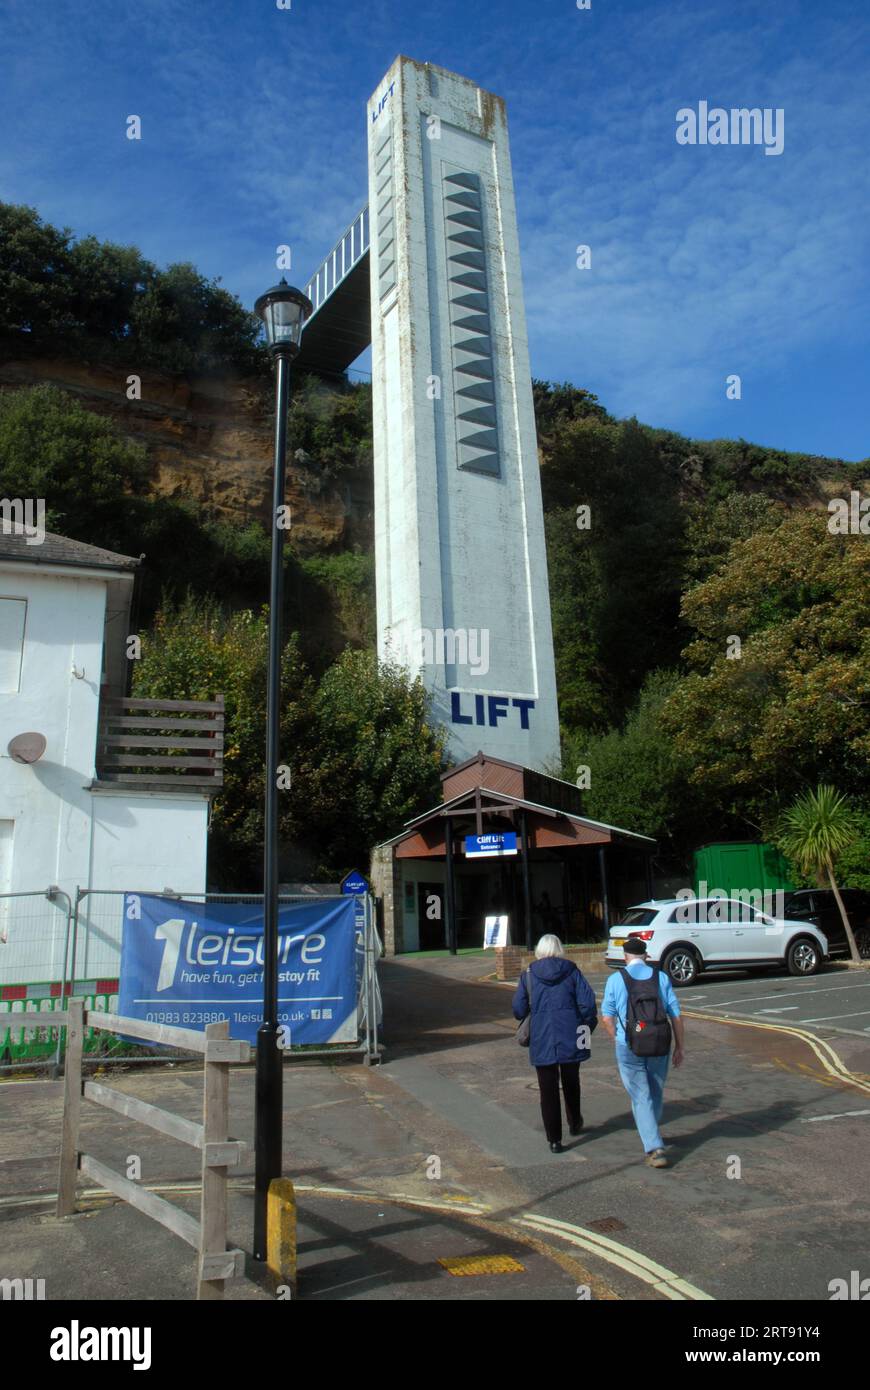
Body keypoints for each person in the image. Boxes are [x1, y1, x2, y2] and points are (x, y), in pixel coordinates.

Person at [600, 936, 685, 1169]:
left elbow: (607, 1017)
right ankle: (652, 1134)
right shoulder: (662, 977)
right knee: (655, 1091)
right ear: (645, 955)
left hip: (629, 1045)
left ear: (626, 956)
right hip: (659, 1042)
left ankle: (655, 1147)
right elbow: (675, 1015)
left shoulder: (615, 980)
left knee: (640, 1095)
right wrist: (680, 1047)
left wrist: (618, 1038)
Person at [512, 934, 598, 1153]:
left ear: (539, 951)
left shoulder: (528, 975)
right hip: (571, 1033)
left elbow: (519, 1010)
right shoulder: (572, 971)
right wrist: (586, 1027)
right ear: (560, 949)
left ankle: (554, 1139)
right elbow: (587, 1004)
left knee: (547, 1089)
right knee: (572, 1081)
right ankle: (575, 1121)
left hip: (542, 1037)